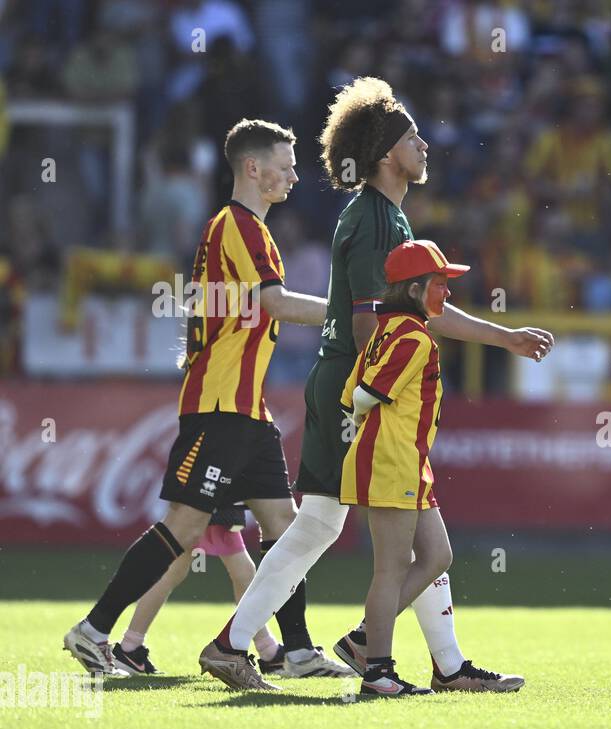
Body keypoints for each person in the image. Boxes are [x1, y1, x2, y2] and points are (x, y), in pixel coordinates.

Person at [202, 77, 553, 692]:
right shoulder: (372, 218)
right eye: (413, 136)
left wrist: (505, 338)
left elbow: (417, 312)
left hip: (349, 381)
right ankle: (386, 654)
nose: (425, 145)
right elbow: (372, 324)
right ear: (389, 152)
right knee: (391, 530)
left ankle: (427, 661)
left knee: (322, 525)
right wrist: (385, 396)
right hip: (357, 387)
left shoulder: (385, 213)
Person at [62, 118, 332, 689]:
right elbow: (277, 304)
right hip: (220, 405)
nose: (293, 174)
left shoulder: (241, 228)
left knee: (286, 527)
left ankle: (298, 649)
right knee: (183, 530)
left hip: (246, 409)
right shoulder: (239, 226)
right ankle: (95, 629)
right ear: (252, 169)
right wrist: (353, 314)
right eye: (284, 165)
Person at [338, 241, 464, 696]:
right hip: (393, 462)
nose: (446, 295)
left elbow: (351, 396)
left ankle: (363, 641)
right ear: (414, 290)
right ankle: (377, 671)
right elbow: (365, 395)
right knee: (390, 570)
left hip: (404, 463)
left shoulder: (386, 330)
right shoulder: (412, 336)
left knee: (436, 557)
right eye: (439, 285)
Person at [112, 505, 285, 675]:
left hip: (209, 501)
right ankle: (269, 651)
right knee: (243, 573)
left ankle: (130, 646)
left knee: (174, 571)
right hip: (213, 502)